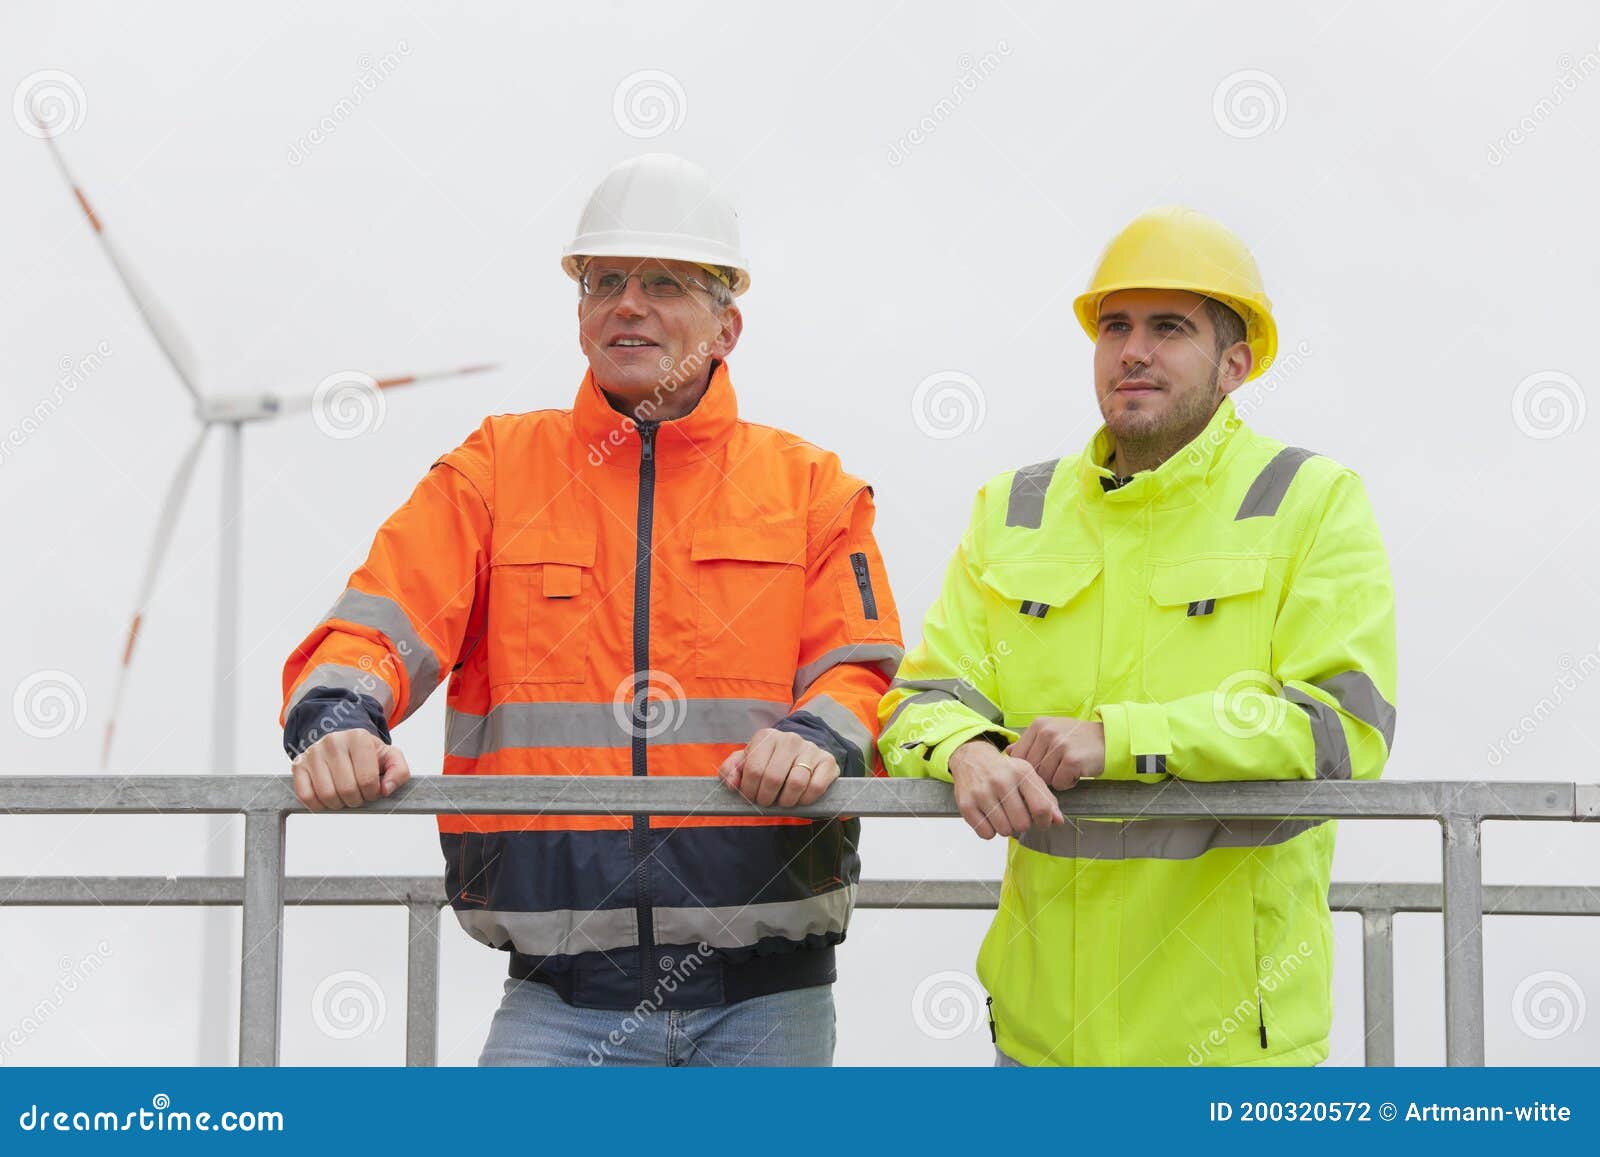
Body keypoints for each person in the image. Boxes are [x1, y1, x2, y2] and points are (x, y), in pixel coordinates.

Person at [280, 153, 903, 1067]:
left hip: (770, 1002)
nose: (628, 304)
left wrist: (818, 734)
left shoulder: (810, 488)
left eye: (664, 284)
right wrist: (340, 716)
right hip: (556, 1001)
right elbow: (378, 623)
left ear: (727, 325)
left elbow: (863, 671)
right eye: (605, 281)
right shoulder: (496, 472)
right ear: (578, 318)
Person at [878, 206, 1397, 1066]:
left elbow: (1340, 730)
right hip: (1045, 1043)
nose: (1134, 350)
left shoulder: (1311, 500)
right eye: (1114, 325)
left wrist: (1122, 738)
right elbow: (923, 700)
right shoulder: (1016, 509)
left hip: (1231, 1048)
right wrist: (965, 750)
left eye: (1169, 329)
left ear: (1235, 365)